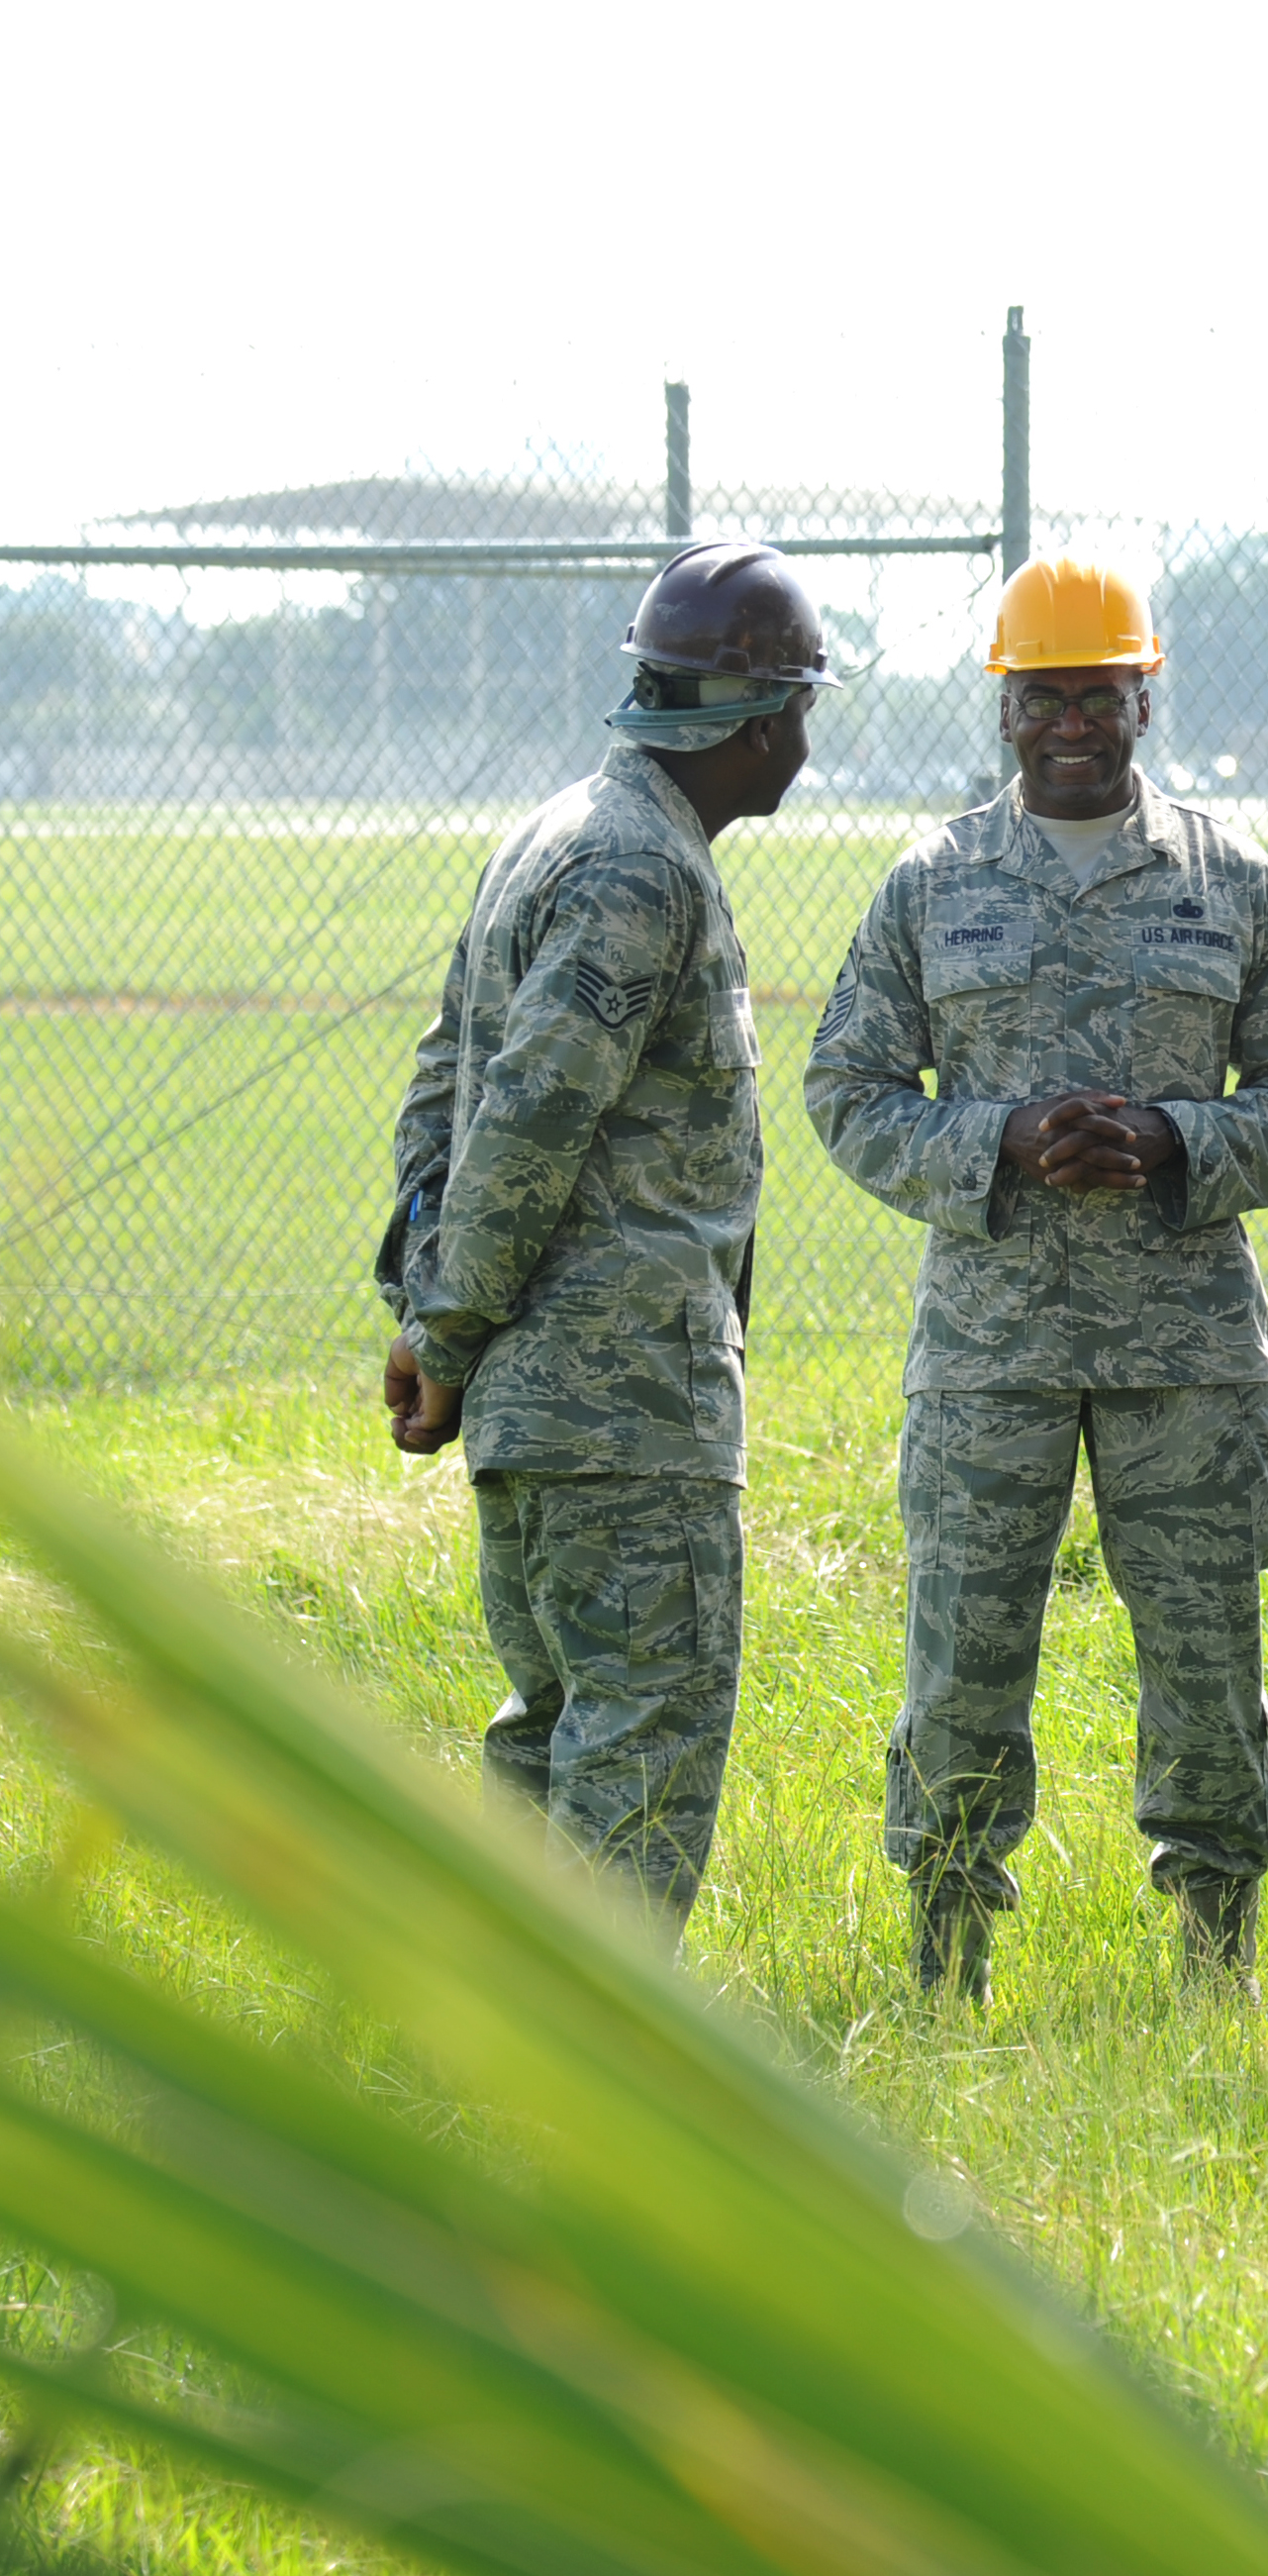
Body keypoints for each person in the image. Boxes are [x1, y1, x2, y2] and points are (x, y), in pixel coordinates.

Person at [806, 555, 1268, 2006]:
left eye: (1097, 696)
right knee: (963, 1660)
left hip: (1187, 1350)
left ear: (1143, 698)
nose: (1069, 724)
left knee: (1205, 1661)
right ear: (1003, 707)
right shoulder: (932, 884)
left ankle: (1217, 1962)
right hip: (989, 1352)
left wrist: (1181, 1140)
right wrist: (994, 1140)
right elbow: (846, 1087)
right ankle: (947, 1965)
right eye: (1042, 697)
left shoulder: (1230, 881)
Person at [375, 541, 829, 1936]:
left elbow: (441, 1089)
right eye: (806, 707)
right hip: (621, 1413)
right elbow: (524, 1117)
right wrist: (443, 1330)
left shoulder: (560, 833)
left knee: (551, 1736)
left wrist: (432, 1317)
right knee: (636, 1754)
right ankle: (596, 2057)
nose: (808, 738)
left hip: (536, 1406)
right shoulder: (638, 866)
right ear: (763, 723)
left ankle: (501, 2038)